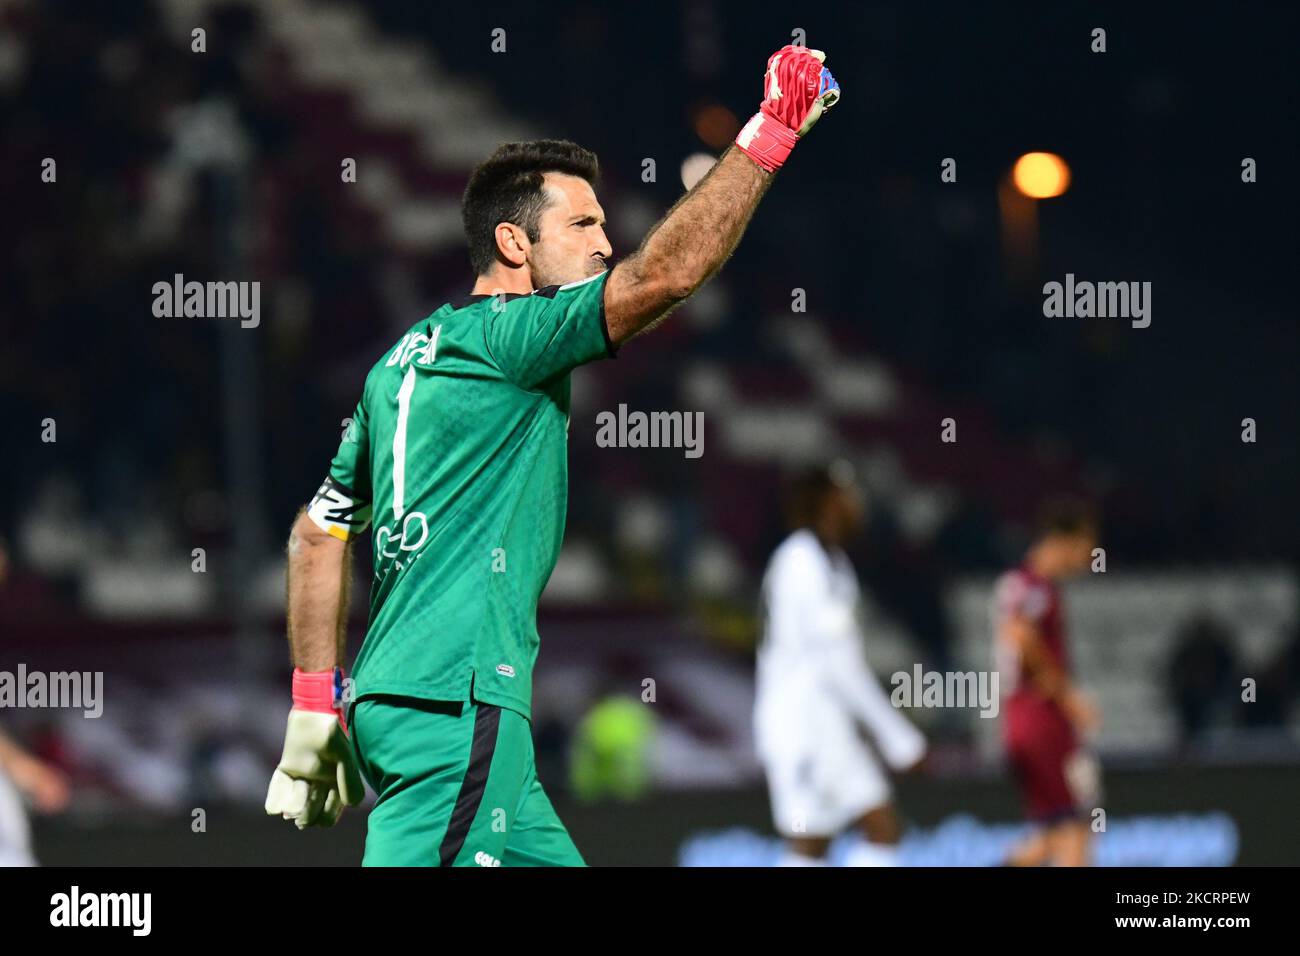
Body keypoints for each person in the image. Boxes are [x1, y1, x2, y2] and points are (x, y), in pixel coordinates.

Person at [265, 46, 842, 865]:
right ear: (513, 242)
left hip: (418, 700)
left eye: (604, 224)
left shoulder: (395, 369)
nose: (606, 243)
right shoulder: (510, 337)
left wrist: (313, 704)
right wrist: (770, 132)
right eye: (583, 225)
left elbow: (316, 537)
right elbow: (664, 277)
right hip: (455, 701)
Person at [755, 462, 926, 866]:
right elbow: (836, 664)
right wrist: (897, 736)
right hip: (801, 726)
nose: (857, 505)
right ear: (829, 503)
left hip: (824, 724)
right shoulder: (802, 561)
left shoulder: (831, 562)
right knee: (833, 836)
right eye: (848, 495)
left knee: (831, 839)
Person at [993, 498, 1102, 866]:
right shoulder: (1035, 585)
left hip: (1021, 720)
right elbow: (1019, 635)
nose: (1090, 556)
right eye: (1087, 545)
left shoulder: (1023, 584)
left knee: (1052, 830)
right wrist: (1067, 695)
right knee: (1076, 828)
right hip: (1041, 720)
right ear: (1064, 540)